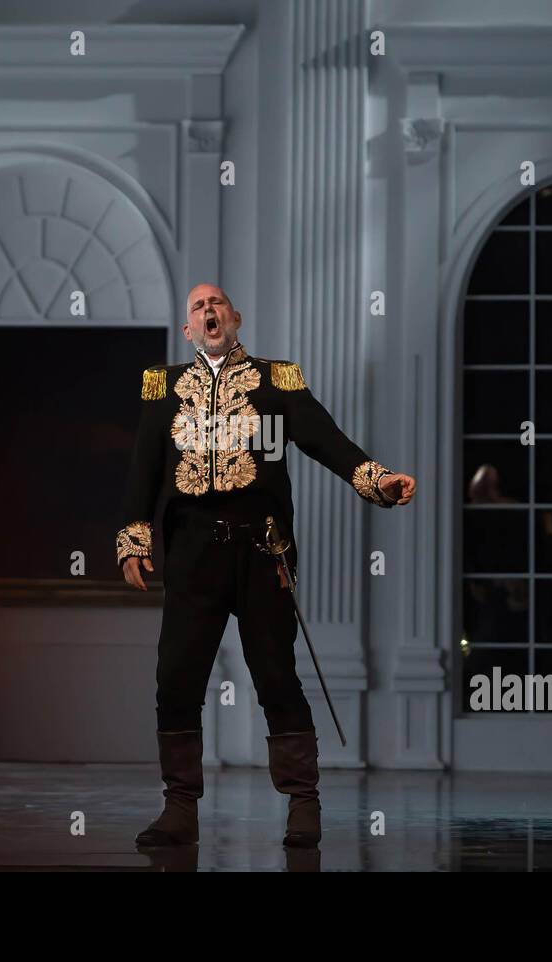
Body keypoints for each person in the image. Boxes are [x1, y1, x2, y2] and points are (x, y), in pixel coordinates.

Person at [116, 283, 416, 849]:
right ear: (188, 328)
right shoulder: (164, 387)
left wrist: (378, 480)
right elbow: (143, 469)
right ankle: (179, 808)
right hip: (192, 556)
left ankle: (303, 804)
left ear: (235, 318)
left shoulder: (278, 380)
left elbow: (327, 441)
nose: (209, 311)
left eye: (217, 304)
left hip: (261, 552)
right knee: (176, 678)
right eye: (198, 307)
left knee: (275, 675)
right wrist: (133, 539)